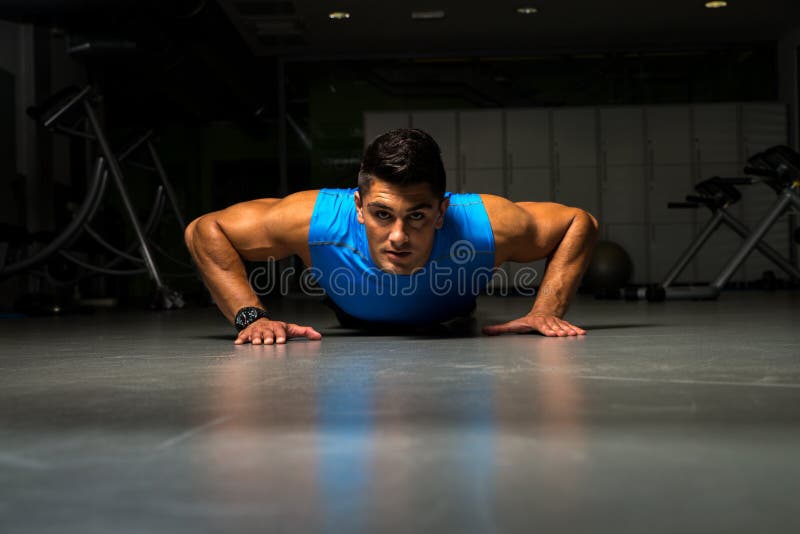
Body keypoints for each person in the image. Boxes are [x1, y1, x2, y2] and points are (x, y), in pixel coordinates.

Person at [185, 128, 598, 344]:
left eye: (416, 215)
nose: (398, 236)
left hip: (449, 315)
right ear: (359, 208)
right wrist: (251, 317)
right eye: (382, 214)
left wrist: (547, 309)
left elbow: (579, 222)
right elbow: (206, 229)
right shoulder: (314, 218)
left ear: (442, 211)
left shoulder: (488, 223)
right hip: (352, 314)